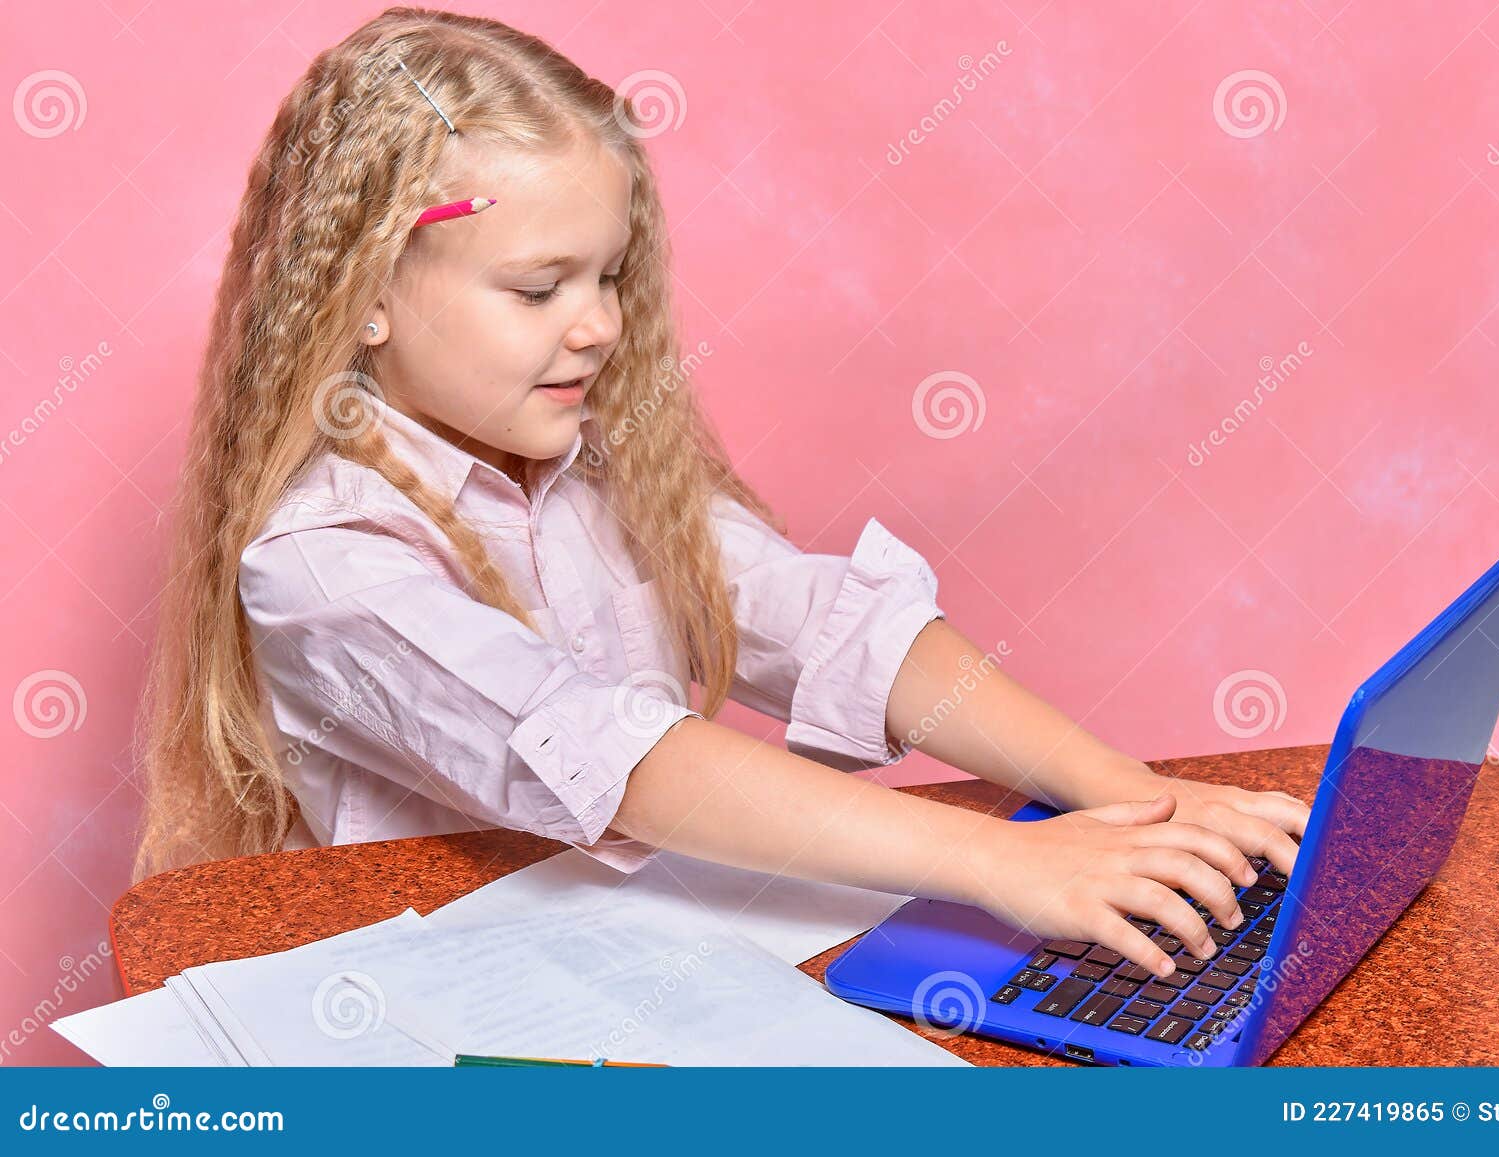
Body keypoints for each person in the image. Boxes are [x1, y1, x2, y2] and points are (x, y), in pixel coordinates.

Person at [133, 7, 1307, 982]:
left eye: (608, 277)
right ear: (369, 292)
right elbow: (618, 756)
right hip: (464, 1020)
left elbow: (829, 622)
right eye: (538, 287)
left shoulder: (594, 466)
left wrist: (1136, 804)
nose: (596, 325)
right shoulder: (322, 561)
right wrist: (1003, 862)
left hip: (650, 969)